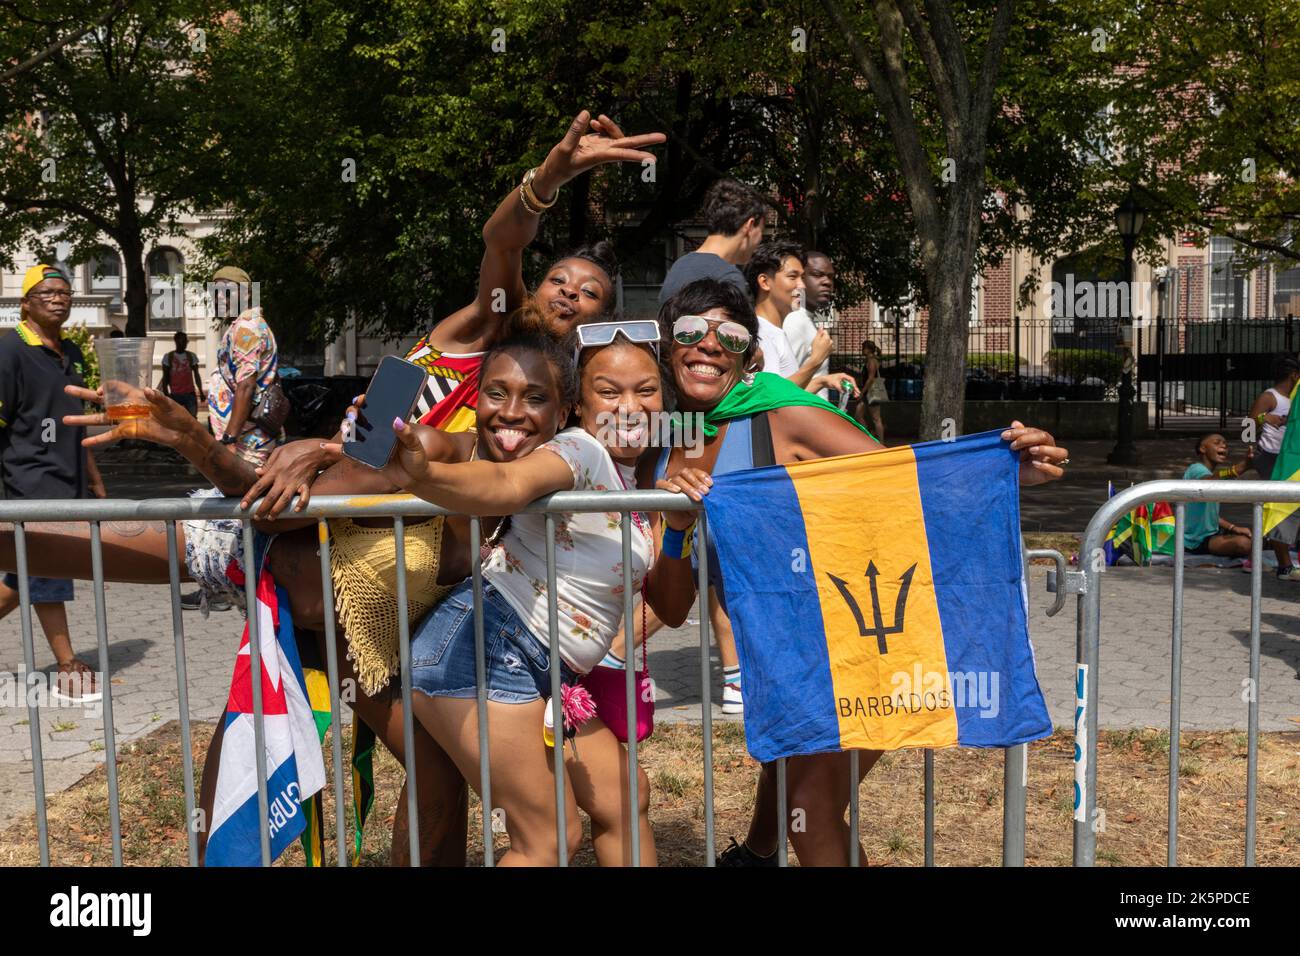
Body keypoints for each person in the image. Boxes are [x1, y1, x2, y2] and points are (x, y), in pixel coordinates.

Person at [646, 277, 1068, 866]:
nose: (709, 345)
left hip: (864, 642)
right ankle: (757, 855)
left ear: (751, 354)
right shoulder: (665, 448)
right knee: (795, 781)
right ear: (668, 348)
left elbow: (906, 481)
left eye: (729, 334)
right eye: (691, 332)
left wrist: (1007, 472)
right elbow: (670, 607)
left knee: (811, 809)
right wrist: (675, 524)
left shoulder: (783, 416)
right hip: (791, 658)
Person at [356, 325, 684, 866]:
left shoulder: (640, 480)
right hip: (487, 649)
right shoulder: (577, 450)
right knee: (548, 842)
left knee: (627, 798)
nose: (629, 407)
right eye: (610, 392)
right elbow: (504, 486)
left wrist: (678, 526)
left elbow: (671, 608)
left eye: (645, 391)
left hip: (545, 668)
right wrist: (422, 473)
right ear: (579, 407)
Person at [242, 109, 664, 518]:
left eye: (589, 292)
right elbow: (501, 241)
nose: (570, 290)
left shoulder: (583, 402)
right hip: (342, 495)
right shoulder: (491, 321)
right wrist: (546, 181)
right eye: (557, 280)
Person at [0, 264, 107, 703]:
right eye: (47, 292)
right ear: (26, 303)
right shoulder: (9, 351)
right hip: (29, 480)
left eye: (65, 292)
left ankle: (67, 662)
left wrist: (96, 480)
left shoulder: (73, 354)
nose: (59, 298)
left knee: (23, 575)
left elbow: (76, 426)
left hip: (69, 479)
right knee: (46, 568)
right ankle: (67, 665)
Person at [744, 240, 841, 393]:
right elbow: (772, 397)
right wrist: (815, 360)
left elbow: (790, 395)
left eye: (802, 277)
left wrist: (822, 381)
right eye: (792, 277)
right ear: (765, 282)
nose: (801, 285)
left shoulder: (775, 331)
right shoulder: (760, 333)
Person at [658, 178, 765, 305]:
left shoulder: (678, 267)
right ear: (750, 226)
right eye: (762, 230)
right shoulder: (727, 278)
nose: (760, 239)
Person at [1248, 354, 1300, 580]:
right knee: (1278, 506)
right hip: (1270, 456)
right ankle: (1282, 563)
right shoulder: (1271, 396)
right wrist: (1264, 419)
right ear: (1293, 375)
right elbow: (1246, 426)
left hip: (1288, 458)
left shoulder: (1294, 397)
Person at [1181, 433, 1257, 559]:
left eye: (1225, 445)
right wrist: (1240, 468)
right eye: (1217, 443)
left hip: (1214, 534)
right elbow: (1208, 481)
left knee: (1257, 536)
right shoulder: (1195, 469)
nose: (1223, 446)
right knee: (1244, 544)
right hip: (1196, 541)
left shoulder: (1210, 474)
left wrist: (1233, 528)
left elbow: (1211, 516)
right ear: (1203, 449)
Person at [783, 250, 835, 399]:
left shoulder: (807, 320)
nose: (827, 282)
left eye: (831, 277)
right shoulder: (794, 322)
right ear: (801, 279)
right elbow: (784, 389)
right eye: (818, 275)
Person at [158, 330, 205, 418]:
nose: (183, 343)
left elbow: (196, 375)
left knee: (192, 419)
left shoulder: (191, 356)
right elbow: (165, 376)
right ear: (176, 341)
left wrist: (201, 392)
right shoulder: (168, 357)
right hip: (175, 395)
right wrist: (166, 393)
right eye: (181, 341)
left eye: (185, 341)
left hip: (190, 394)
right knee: (176, 420)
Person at [855, 339, 889, 443]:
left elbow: (870, 378)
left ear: (868, 349)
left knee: (876, 418)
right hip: (869, 393)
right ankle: (870, 437)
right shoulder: (871, 360)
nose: (862, 350)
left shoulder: (871, 361)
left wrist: (862, 392)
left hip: (872, 392)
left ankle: (881, 442)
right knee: (858, 416)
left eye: (863, 348)